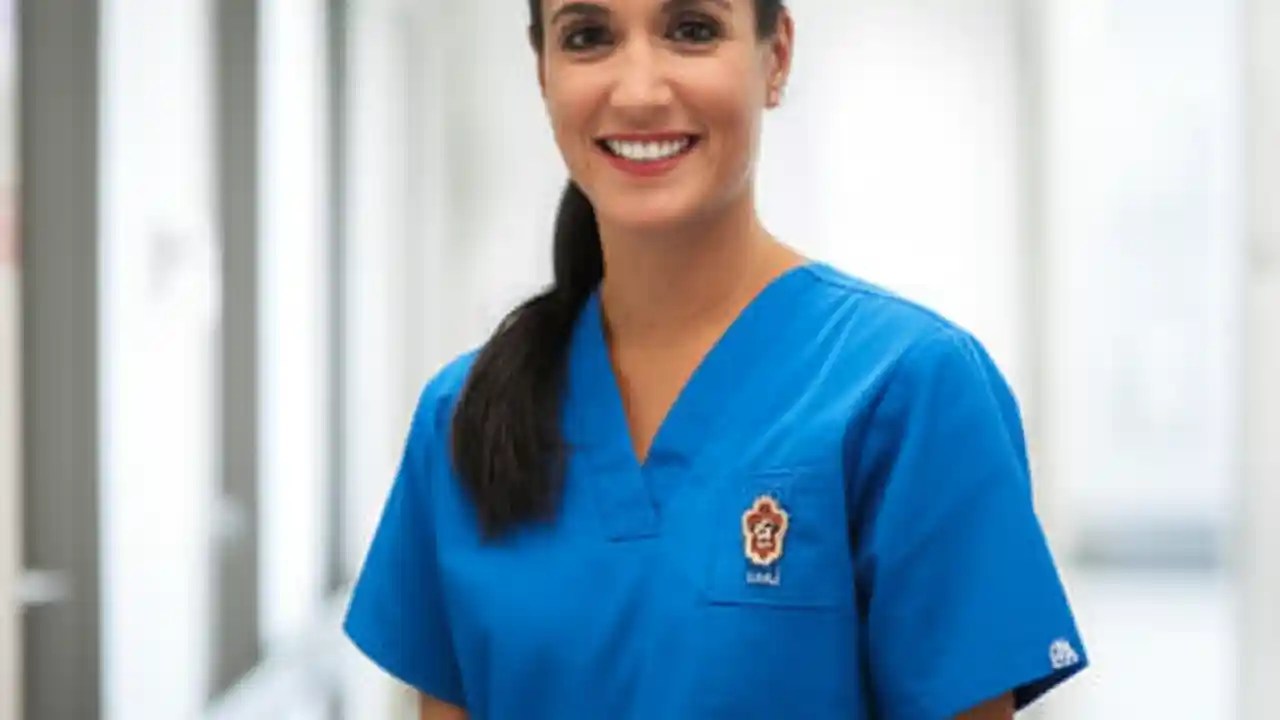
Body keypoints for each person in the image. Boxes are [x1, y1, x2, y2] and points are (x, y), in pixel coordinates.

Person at [342, 0, 1089, 718]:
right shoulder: (463, 417)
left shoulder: (910, 391)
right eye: (587, 36)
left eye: (692, 29)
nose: (638, 91)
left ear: (777, 55)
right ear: (542, 72)